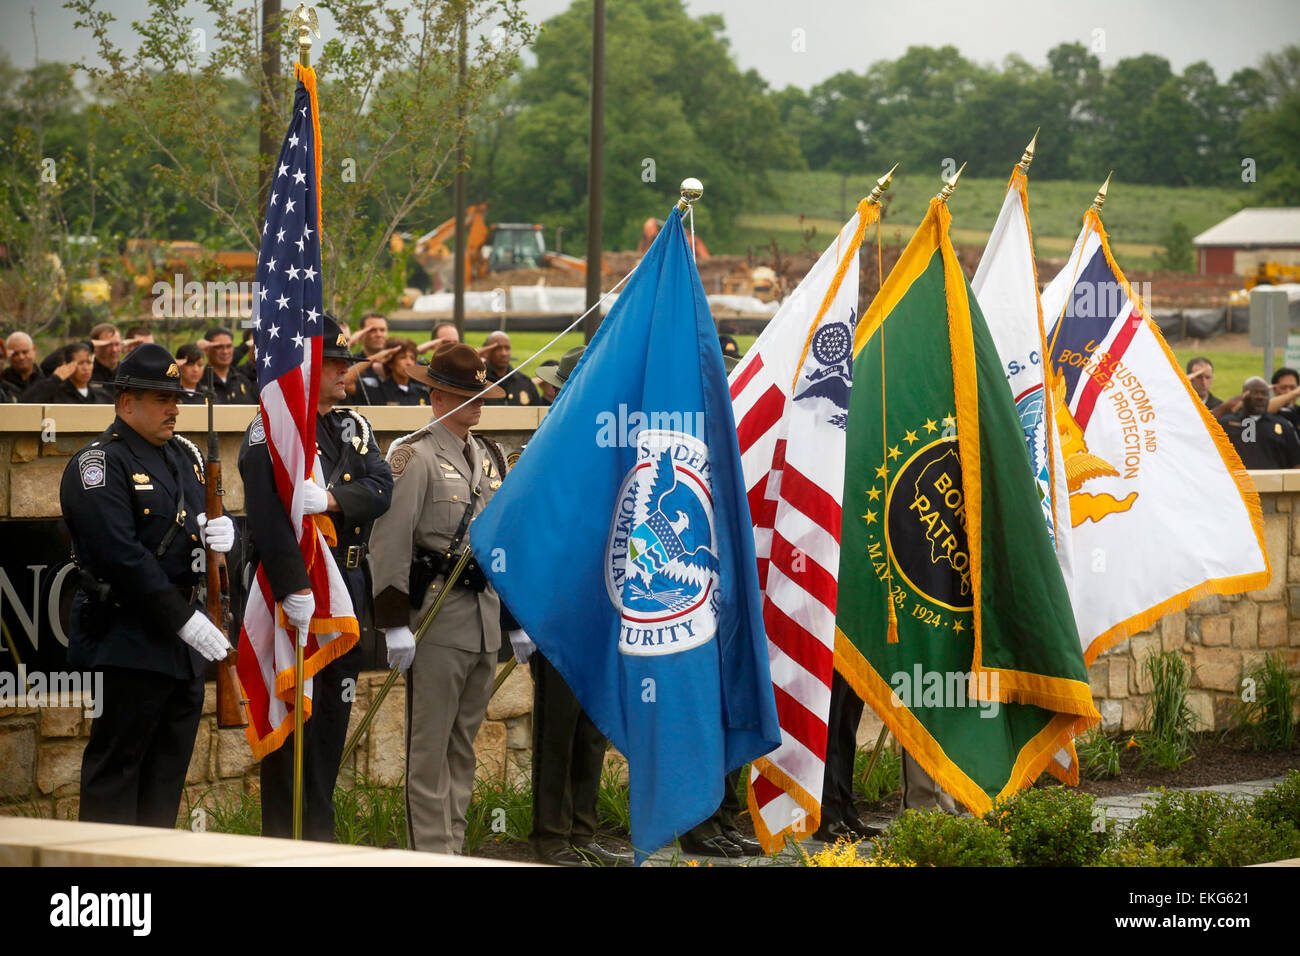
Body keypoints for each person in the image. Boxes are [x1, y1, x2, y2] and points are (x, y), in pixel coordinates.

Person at [60, 343, 234, 826]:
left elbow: (201, 521)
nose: (174, 408)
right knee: (117, 779)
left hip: (181, 648)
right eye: (162, 398)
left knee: (164, 785)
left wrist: (225, 533)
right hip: (129, 640)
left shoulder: (184, 457)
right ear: (126, 402)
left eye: (176, 398)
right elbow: (121, 555)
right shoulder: (98, 465)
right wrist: (184, 622)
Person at [239, 315, 394, 841]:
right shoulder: (272, 426)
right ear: (307, 365)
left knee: (329, 730)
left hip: (345, 592)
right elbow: (263, 514)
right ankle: (284, 842)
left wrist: (330, 499)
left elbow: (381, 489)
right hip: (298, 597)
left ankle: (320, 840)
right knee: (293, 731)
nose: (344, 373)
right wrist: (292, 588)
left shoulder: (354, 427)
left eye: (347, 364)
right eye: (334, 364)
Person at [367, 342, 516, 855]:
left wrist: (515, 621)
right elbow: (388, 541)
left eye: (478, 394)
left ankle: (453, 845)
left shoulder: (490, 454)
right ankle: (430, 853)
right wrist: (393, 621)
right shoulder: (412, 455)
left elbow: (501, 545)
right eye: (463, 394)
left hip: (482, 619)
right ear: (436, 396)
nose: (476, 404)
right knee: (429, 749)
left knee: (463, 746)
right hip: (434, 617)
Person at [512, 346, 631, 866]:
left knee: (592, 729)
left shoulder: (612, 455)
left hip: (603, 609)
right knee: (556, 731)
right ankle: (550, 835)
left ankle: (582, 831)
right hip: (557, 612)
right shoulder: (542, 452)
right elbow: (524, 533)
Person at [1221, 376, 1300, 469]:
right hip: (1238, 481)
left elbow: (1296, 462)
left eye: (1264, 393)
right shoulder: (1226, 424)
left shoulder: (1283, 425)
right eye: (1255, 393)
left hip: (1274, 481)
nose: (1260, 397)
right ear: (1244, 395)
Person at [20, 342, 113, 404]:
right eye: (80, 363)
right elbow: (26, 402)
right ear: (66, 365)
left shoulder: (102, 396)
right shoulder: (55, 393)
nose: (86, 368)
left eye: (89, 363)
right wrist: (55, 379)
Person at [480, 331, 541, 407]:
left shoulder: (525, 383)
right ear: (486, 351)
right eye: (498, 348)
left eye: (507, 348)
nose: (504, 353)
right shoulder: (478, 382)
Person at [200, 327, 257, 404]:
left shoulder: (243, 380)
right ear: (206, 350)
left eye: (229, 346)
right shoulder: (198, 381)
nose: (225, 351)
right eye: (219, 347)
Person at [373, 338, 430, 406]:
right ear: (390, 363)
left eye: (412, 358)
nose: (409, 363)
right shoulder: (379, 391)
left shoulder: (422, 392)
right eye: (402, 357)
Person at [2, 332, 41, 398]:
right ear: (8, 354)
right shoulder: (3, 381)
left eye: (25, 352)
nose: (21, 357)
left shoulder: (46, 379)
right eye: (15, 354)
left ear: (34, 350)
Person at [89, 322, 123, 392]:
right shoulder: (86, 373)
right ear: (95, 346)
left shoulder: (127, 372)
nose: (114, 350)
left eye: (117, 344)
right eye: (109, 345)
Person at [1268, 366, 1300, 431]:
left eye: (1292, 388)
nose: (1288, 392)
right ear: (1274, 389)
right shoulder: (1266, 412)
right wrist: (1293, 394)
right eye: (1283, 387)